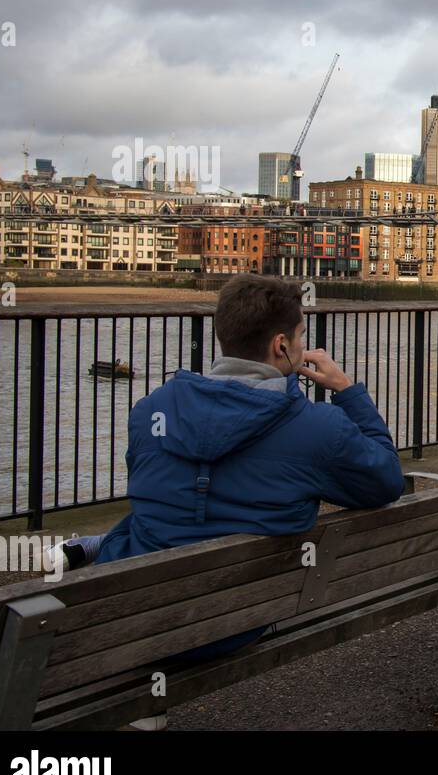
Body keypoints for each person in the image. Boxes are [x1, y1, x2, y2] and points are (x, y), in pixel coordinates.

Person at [44, 275, 405, 724]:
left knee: (153, 517)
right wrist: (349, 392)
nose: (301, 344)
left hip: (133, 616)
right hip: (237, 619)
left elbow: (149, 490)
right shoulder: (320, 429)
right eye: (300, 337)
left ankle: (95, 549)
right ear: (282, 346)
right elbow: (387, 480)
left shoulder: (151, 410)